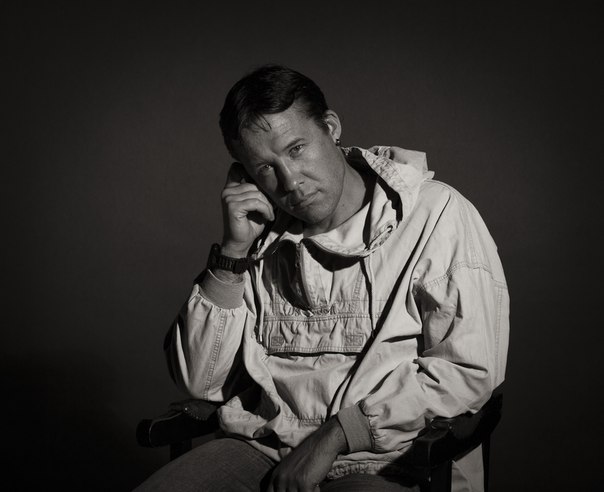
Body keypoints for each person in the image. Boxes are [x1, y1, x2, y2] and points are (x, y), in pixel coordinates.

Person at [136, 64, 509, 492]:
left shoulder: (436, 215)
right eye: (264, 168)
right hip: (264, 446)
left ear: (331, 128)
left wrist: (334, 437)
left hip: (390, 462)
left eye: (296, 148)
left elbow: (466, 370)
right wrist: (233, 254)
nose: (290, 181)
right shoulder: (258, 235)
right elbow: (202, 382)